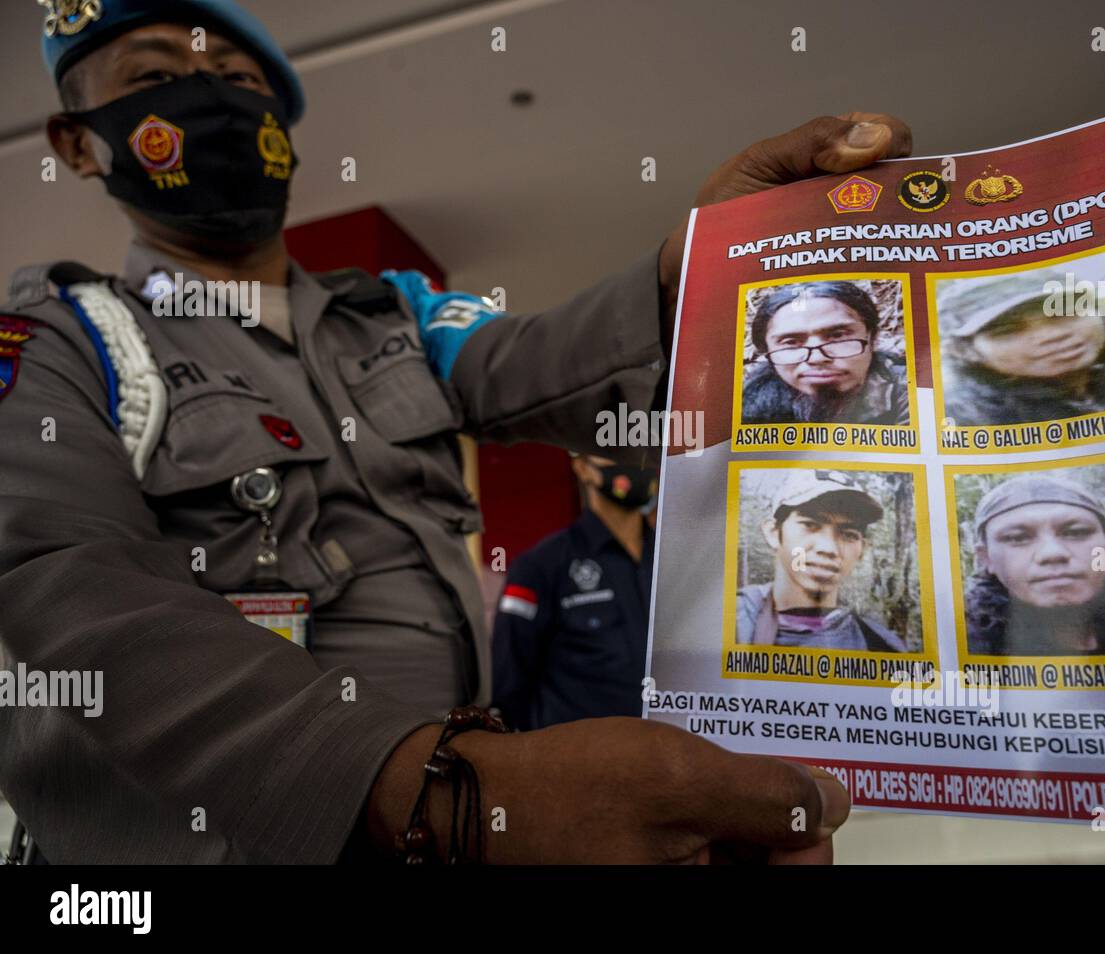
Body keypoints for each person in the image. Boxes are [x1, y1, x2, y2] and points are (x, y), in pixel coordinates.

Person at [1, 0, 914, 863]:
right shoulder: (57, 335)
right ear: (77, 144)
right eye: (151, 75)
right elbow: (66, 592)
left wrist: (705, 275)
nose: (209, 99)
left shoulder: (399, 312)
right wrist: (435, 793)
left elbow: (552, 369)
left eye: (239, 80)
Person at [492, 455, 657, 730]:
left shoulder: (673, 559)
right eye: (616, 448)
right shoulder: (540, 566)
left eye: (641, 448)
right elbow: (509, 687)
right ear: (582, 467)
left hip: (670, 758)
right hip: (578, 765)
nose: (634, 457)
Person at [965, 474, 1105, 656]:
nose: (1053, 553)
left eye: (1076, 532)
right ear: (987, 559)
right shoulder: (966, 645)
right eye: (1017, 538)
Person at [737, 470, 907, 652]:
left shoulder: (879, 645)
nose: (829, 549)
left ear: (862, 550)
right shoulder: (732, 619)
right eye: (810, 525)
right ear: (773, 533)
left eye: (848, 535)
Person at [938, 270, 1105, 426]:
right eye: (1008, 330)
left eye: (1065, 312)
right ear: (964, 351)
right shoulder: (968, 417)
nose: (1052, 336)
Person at [741, 280, 908, 426]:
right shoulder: (747, 400)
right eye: (791, 342)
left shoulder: (911, 391)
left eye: (837, 336)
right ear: (767, 351)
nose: (817, 358)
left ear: (872, 338)